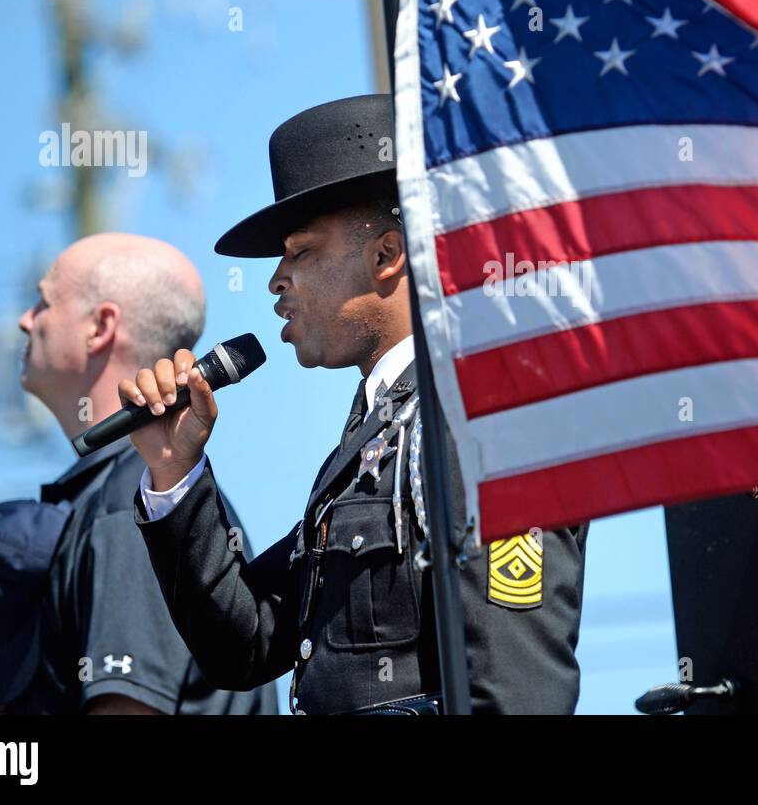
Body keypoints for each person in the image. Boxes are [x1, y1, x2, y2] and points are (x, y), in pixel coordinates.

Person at [125, 94, 587, 714]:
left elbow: (515, 692)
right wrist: (175, 473)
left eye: (302, 250)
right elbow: (249, 644)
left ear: (386, 256)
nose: (276, 279)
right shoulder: (375, 441)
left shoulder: (477, 416)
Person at [0, 233, 276, 715]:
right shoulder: (129, 496)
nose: (26, 320)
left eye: (43, 303)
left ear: (101, 326)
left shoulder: (135, 508)